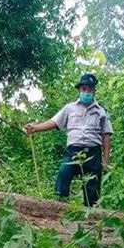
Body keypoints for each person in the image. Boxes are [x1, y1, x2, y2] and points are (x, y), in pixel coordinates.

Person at [24, 73, 113, 206]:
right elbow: (54, 122)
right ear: (79, 90)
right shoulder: (69, 108)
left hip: (93, 153)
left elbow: (106, 136)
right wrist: (35, 128)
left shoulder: (101, 112)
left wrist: (105, 161)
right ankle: (60, 208)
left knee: (92, 189)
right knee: (63, 174)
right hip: (73, 152)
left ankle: (91, 217)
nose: (86, 92)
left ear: (94, 91)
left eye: (89, 89)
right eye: (84, 89)